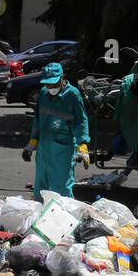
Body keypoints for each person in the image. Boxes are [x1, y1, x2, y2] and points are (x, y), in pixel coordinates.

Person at [23, 62, 89, 199]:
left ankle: (65, 219)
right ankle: (40, 217)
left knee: (62, 189)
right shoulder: (43, 93)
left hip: (62, 152)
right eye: (47, 84)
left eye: (53, 83)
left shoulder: (72, 95)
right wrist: (32, 143)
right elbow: (38, 120)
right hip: (43, 151)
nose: (50, 87)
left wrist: (82, 146)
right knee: (41, 189)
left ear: (62, 78)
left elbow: (81, 122)